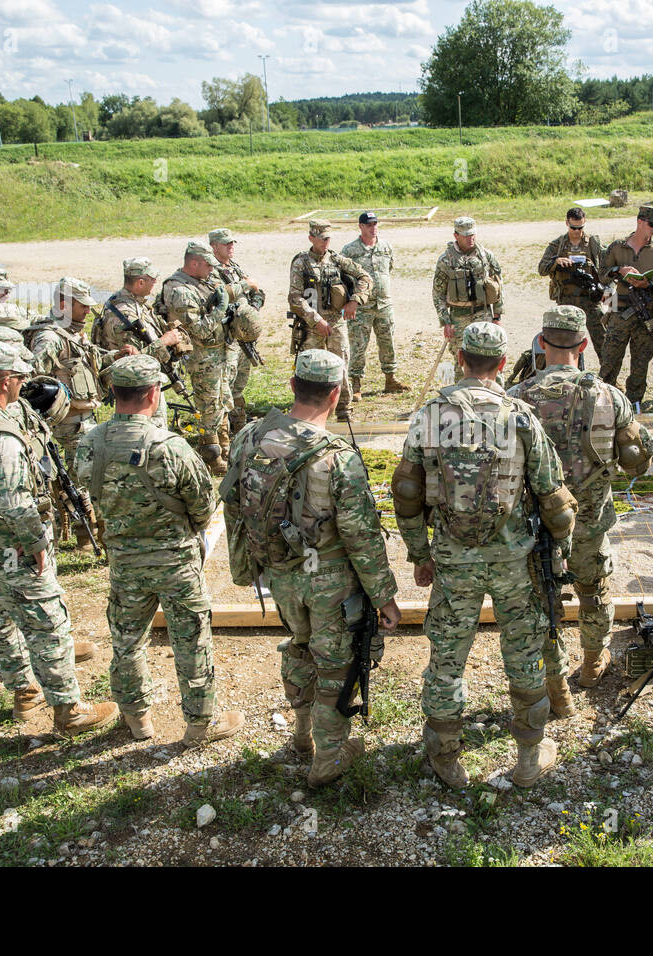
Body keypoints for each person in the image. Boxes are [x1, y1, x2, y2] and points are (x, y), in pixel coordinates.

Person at [393, 322, 576, 789]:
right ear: (500, 364)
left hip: (453, 560)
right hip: (516, 562)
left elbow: (408, 492)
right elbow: (553, 496)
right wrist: (562, 555)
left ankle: (446, 756)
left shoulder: (430, 414)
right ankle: (530, 754)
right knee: (525, 653)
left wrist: (419, 553)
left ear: (460, 359)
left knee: (448, 658)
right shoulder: (519, 416)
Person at [224, 350, 402, 784]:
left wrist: (246, 566)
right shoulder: (337, 456)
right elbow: (362, 536)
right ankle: (329, 758)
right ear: (336, 395)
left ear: (292, 386)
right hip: (332, 583)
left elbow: (232, 503)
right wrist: (385, 598)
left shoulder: (250, 436)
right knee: (336, 664)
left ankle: (302, 736)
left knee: (300, 646)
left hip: (281, 575)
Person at [0, 340, 117, 736]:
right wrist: (34, 544)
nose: (23, 384)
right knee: (47, 620)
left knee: (1, 615)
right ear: (4, 382)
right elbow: (15, 503)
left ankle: (24, 690)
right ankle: (69, 710)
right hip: (9, 545)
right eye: (19, 377)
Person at [76, 354, 242, 746]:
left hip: (123, 561)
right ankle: (200, 724)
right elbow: (203, 504)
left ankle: (137, 720)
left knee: (128, 639)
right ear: (153, 394)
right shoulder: (169, 446)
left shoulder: (91, 442)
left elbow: (91, 491)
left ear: (113, 392)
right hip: (176, 562)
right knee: (191, 639)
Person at [508, 306, 653, 702]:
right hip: (589, 520)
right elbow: (637, 461)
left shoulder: (516, 399)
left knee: (543, 602)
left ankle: (555, 686)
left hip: (536, 523)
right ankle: (592, 663)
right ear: (584, 344)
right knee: (594, 590)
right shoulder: (609, 396)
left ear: (541, 343)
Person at [30, 277, 134, 550]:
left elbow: (90, 358)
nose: (88, 311)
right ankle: (87, 535)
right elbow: (30, 374)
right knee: (84, 477)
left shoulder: (72, 332)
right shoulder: (50, 337)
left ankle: (88, 535)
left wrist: (115, 356)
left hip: (83, 418)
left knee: (84, 477)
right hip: (67, 422)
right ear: (64, 304)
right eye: (82, 305)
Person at [165, 241, 260, 473]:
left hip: (221, 352)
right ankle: (212, 456)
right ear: (193, 263)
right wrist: (220, 310)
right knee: (208, 407)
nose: (212, 269)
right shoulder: (179, 289)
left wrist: (244, 286)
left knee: (222, 402)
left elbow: (223, 291)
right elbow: (198, 330)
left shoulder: (204, 280)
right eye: (208, 265)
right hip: (203, 357)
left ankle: (225, 447)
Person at [289, 220, 371, 421]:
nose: (326, 242)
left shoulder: (336, 260)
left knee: (341, 366)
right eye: (321, 238)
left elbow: (365, 277)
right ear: (311, 238)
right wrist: (315, 320)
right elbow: (295, 297)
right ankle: (308, 411)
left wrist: (355, 301)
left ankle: (344, 410)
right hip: (311, 325)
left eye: (328, 238)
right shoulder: (301, 263)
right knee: (308, 369)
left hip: (335, 323)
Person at [95, 257, 186, 430]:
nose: (155, 283)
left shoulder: (135, 304)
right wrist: (165, 341)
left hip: (145, 388)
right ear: (140, 282)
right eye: (152, 280)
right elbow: (133, 362)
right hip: (138, 394)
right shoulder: (123, 315)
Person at [599, 205, 653, 406]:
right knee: (609, 361)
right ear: (640, 222)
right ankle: (605, 401)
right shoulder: (617, 247)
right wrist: (618, 270)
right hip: (619, 312)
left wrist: (649, 284)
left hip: (644, 314)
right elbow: (601, 273)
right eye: (651, 224)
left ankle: (634, 404)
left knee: (641, 363)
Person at [340, 212, 408, 401]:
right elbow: (343, 278)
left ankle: (390, 379)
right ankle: (356, 384)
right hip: (361, 307)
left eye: (375, 224)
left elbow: (389, 269)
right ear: (360, 226)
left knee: (388, 343)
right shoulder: (350, 250)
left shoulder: (385, 247)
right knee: (358, 345)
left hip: (384, 304)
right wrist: (351, 301)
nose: (373, 228)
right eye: (369, 225)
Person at [208, 228, 268, 431]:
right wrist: (245, 285)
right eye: (226, 243)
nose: (231, 246)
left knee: (241, 379)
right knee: (228, 380)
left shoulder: (234, 267)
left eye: (232, 243)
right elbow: (219, 295)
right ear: (214, 246)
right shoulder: (211, 270)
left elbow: (257, 292)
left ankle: (239, 422)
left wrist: (253, 309)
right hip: (228, 336)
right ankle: (224, 425)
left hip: (244, 334)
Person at [432, 216, 505, 382]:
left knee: (491, 355)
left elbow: (498, 285)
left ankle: (496, 394)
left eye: (472, 234)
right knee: (462, 360)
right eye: (466, 235)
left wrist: (497, 316)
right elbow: (438, 293)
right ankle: (461, 396)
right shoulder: (446, 260)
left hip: (483, 313)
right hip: (458, 316)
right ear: (456, 235)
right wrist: (446, 321)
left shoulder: (485, 256)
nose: (470, 238)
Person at [537, 207, 608, 358]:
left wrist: (608, 292)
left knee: (603, 342)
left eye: (580, 227)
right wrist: (556, 261)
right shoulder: (557, 245)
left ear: (585, 223)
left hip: (590, 300)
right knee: (566, 344)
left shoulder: (593, 244)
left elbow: (608, 268)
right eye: (573, 227)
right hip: (566, 301)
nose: (577, 231)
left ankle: (608, 377)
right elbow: (542, 269)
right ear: (566, 223)